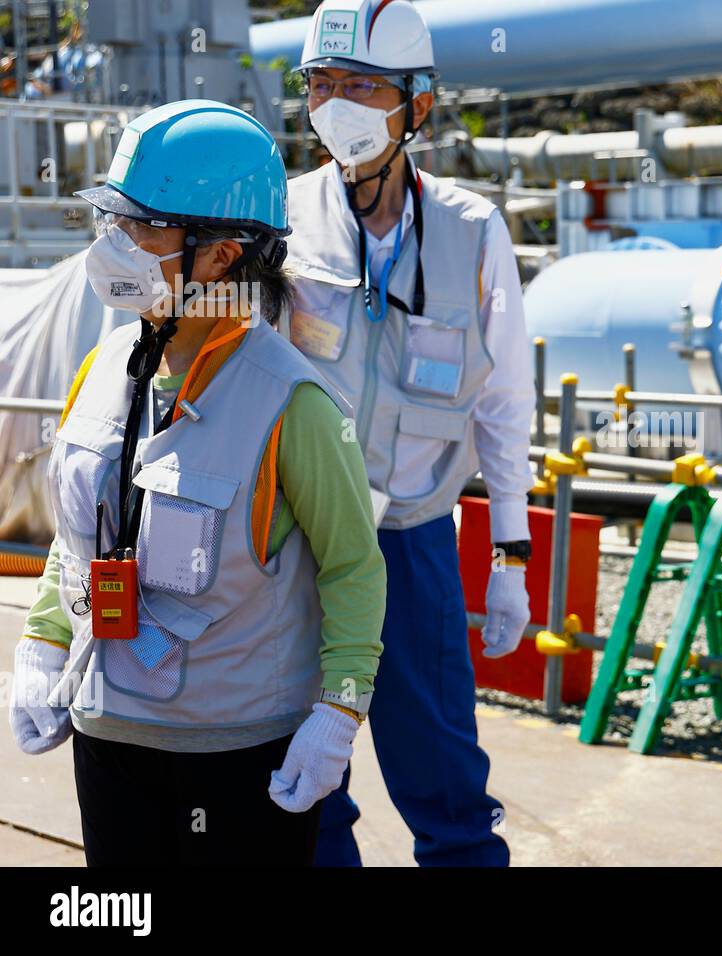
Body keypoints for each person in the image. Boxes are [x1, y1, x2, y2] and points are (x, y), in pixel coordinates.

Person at [8, 100, 386, 866]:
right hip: (109, 740)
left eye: (141, 228)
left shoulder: (296, 404)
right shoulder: (104, 368)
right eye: (113, 223)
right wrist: (44, 641)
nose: (116, 246)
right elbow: (77, 538)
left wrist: (339, 712)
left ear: (220, 255)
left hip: (237, 755)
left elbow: (354, 567)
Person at [285, 0, 533, 867]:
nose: (337, 104)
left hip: (414, 544)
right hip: (297, 544)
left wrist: (510, 558)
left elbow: (503, 402)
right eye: (322, 83)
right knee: (303, 788)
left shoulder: (471, 230)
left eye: (361, 85)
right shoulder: (281, 222)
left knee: (447, 784)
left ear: (417, 106)